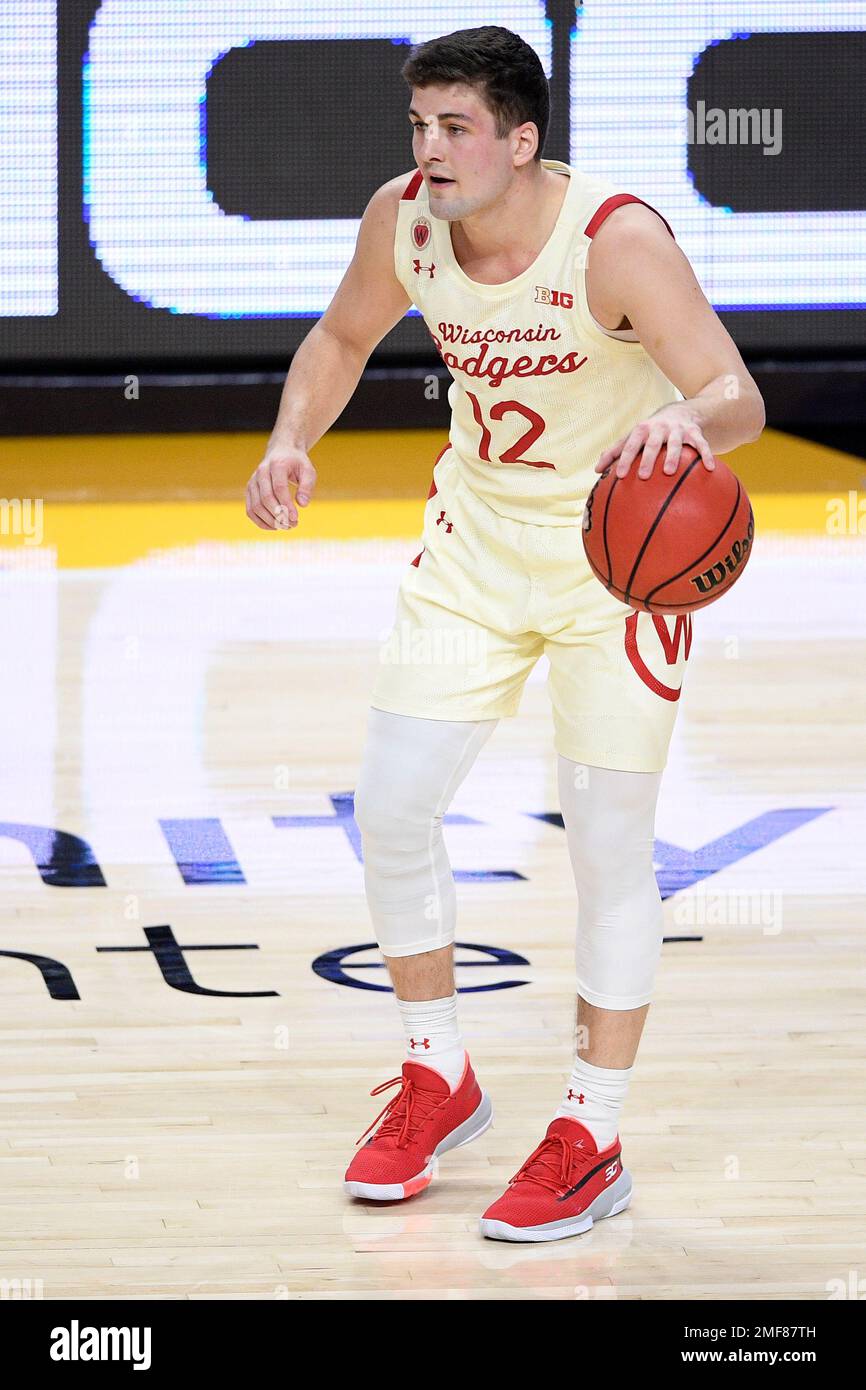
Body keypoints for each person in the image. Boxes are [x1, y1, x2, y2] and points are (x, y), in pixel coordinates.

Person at [245, 25, 765, 1242]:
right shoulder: (403, 220)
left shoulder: (615, 242)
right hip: (477, 548)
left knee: (605, 845)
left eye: (454, 128)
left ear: (519, 141)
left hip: (614, 571)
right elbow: (338, 339)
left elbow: (734, 393)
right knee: (391, 806)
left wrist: (688, 428)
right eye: (416, 125)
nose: (428, 150)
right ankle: (440, 1073)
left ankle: (590, 1129)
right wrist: (288, 441)